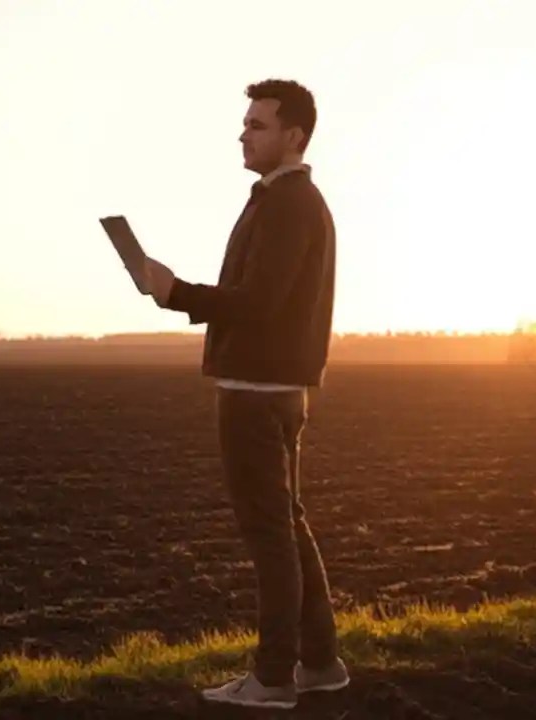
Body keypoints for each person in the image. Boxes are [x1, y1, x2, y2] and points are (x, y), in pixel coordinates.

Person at [143, 78, 348, 710]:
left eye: (258, 124)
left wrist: (177, 292)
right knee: (287, 525)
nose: (243, 132)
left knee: (270, 536)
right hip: (274, 387)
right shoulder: (283, 201)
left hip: (256, 391)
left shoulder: (288, 204)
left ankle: (274, 678)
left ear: (295, 136)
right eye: (246, 122)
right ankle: (319, 664)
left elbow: (259, 305)